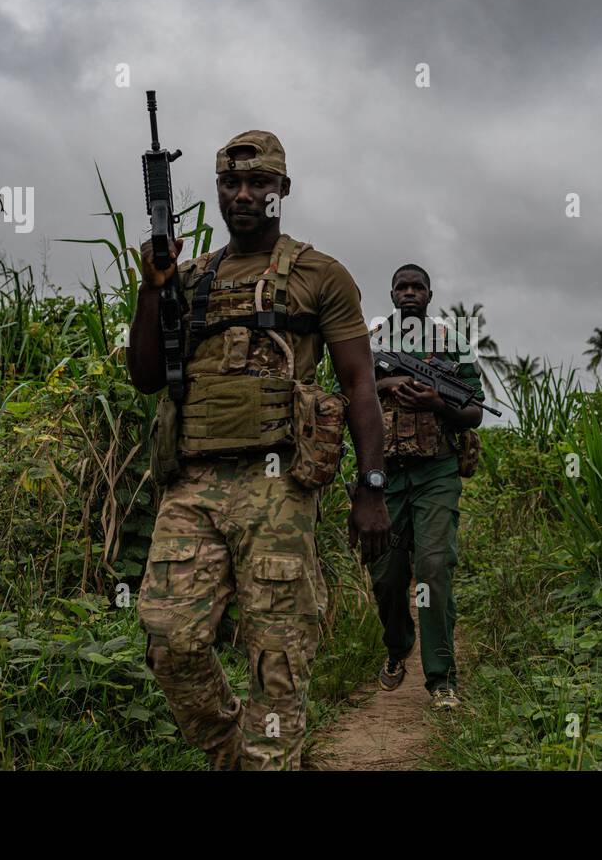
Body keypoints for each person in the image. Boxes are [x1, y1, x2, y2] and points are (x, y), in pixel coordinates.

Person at [127, 129, 390, 770]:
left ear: (282, 190)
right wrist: (153, 288)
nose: (244, 195)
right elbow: (143, 375)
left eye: (259, 184)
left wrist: (372, 489)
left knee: (278, 654)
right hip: (191, 485)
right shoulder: (188, 277)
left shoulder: (319, 274)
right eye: (231, 184)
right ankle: (232, 751)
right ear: (217, 190)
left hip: (278, 486)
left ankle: (270, 758)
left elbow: (360, 386)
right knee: (169, 639)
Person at [369, 264, 483, 712]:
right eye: (403, 286)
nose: (410, 293)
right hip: (385, 473)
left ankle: (441, 680)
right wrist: (389, 383)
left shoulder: (451, 341)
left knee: (434, 569)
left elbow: (474, 409)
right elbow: (350, 386)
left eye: (418, 287)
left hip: (437, 471)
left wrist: (437, 401)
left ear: (430, 294)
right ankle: (399, 648)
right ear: (392, 293)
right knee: (386, 574)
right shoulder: (373, 337)